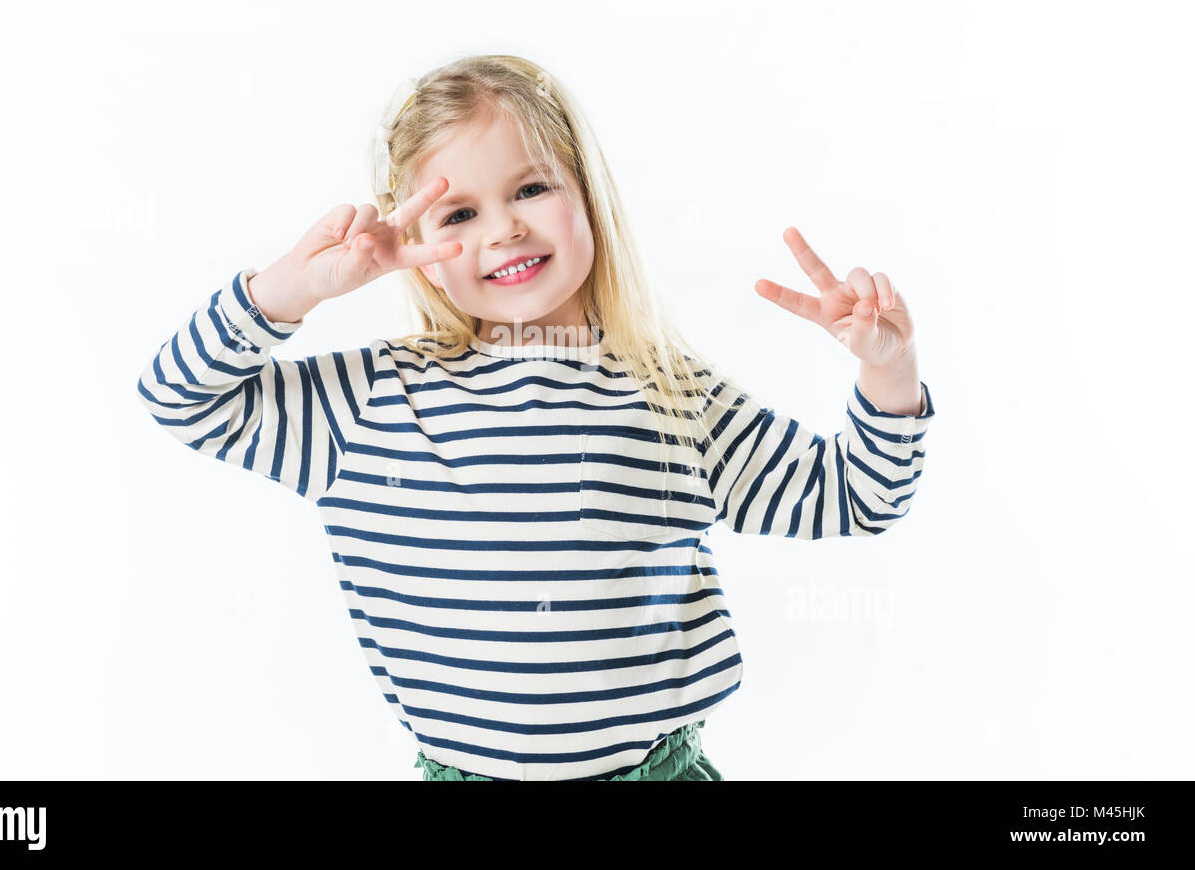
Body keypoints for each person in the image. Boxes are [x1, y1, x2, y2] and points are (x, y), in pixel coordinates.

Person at [135, 54, 936, 781]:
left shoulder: (671, 393)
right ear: (416, 248)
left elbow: (855, 496)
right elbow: (177, 396)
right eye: (458, 215)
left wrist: (887, 370)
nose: (504, 228)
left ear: (588, 196)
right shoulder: (371, 401)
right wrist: (293, 288)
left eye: (530, 189)